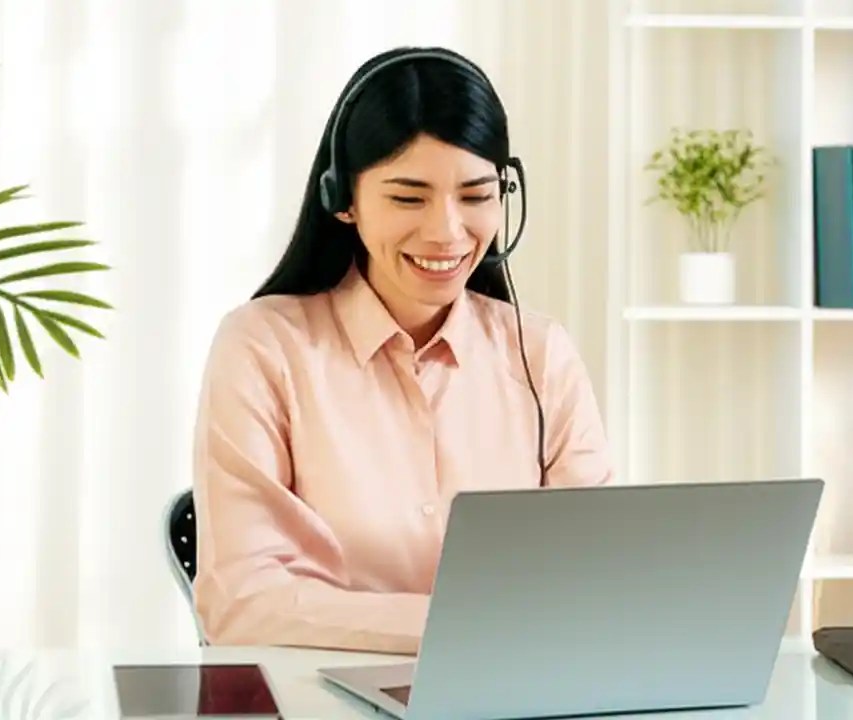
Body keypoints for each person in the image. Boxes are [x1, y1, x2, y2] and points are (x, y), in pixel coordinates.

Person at [190, 46, 613, 656]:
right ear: (344, 199)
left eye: (475, 195)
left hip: (514, 691)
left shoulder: (541, 353)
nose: (446, 231)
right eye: (408, 197)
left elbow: (597, 578)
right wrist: (467, 627)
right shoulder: (262, 347)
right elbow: (242, 603)